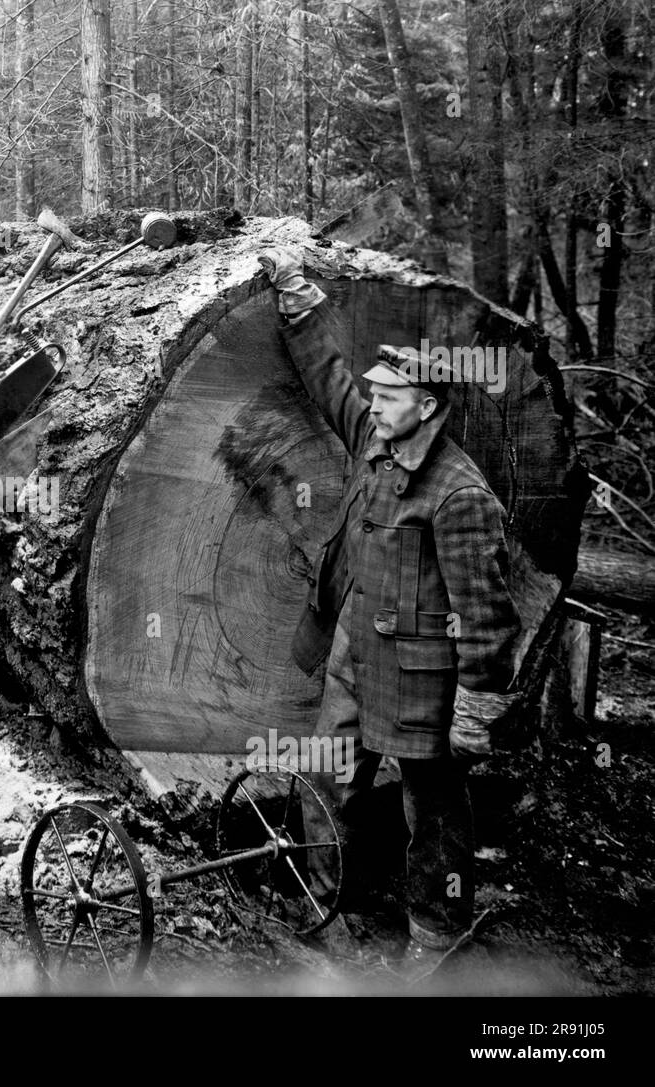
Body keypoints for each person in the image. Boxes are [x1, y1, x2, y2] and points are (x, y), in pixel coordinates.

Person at [258, 245, 521, 978]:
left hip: (422, 680)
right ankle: (323, 901)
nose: (374, 403)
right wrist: (297, 298)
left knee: (432, 813)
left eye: (391, 396)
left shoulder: (458, 494)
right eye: (376, 395)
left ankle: (436, 935)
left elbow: (488, 613)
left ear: (429, 407)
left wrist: (474, 703)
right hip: (353, 656)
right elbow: (330, 377)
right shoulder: (374, 441)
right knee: (323, 779)